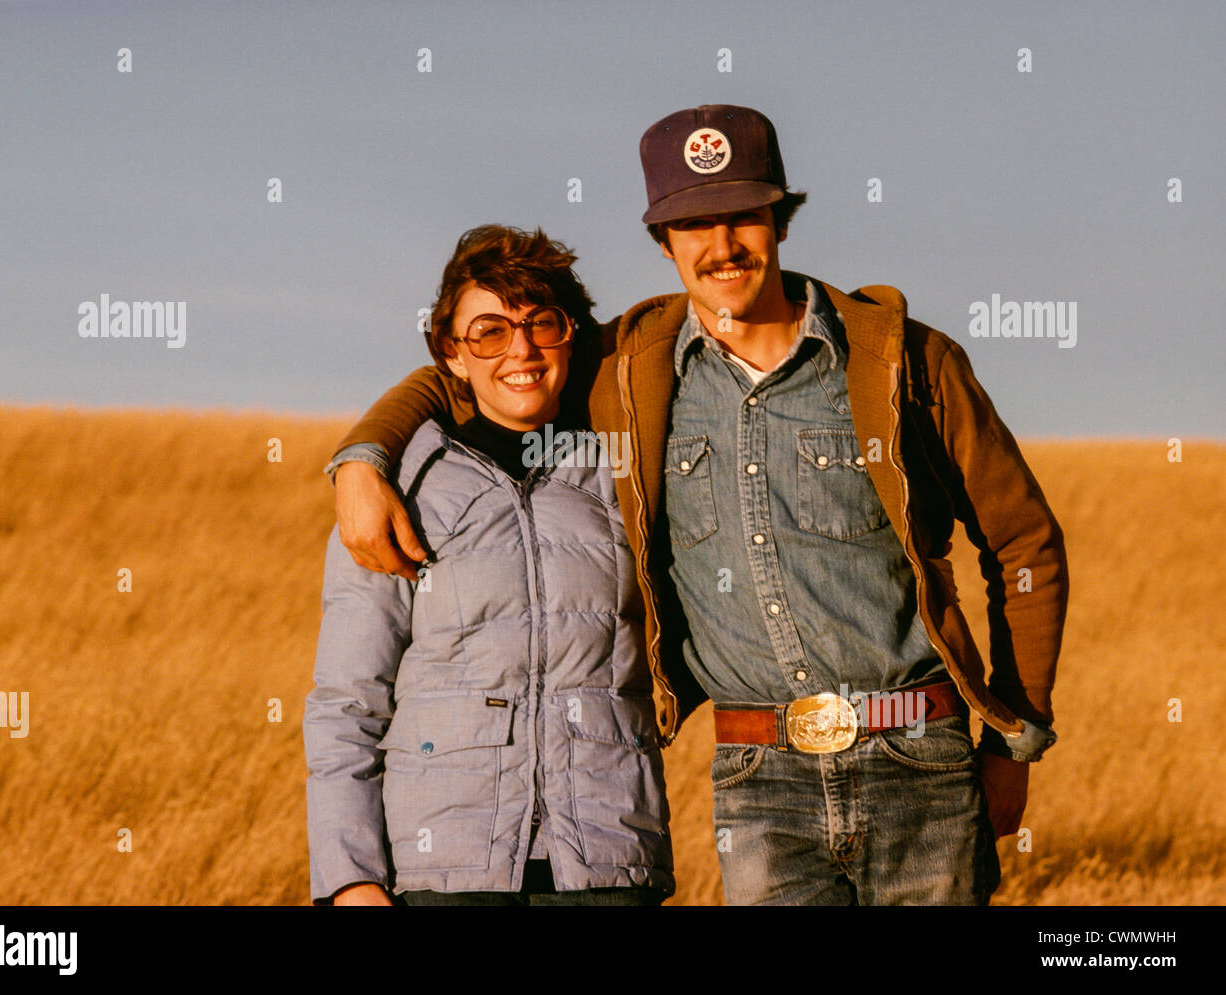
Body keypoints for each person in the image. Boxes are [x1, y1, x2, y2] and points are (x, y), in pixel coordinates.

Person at [323, 106, 1068, 906]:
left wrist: (1013, 740)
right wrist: (363, 457)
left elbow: (1024, 542)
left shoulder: (898, 359)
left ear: (779, 217)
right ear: (663, 240)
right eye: (692, 223)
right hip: (757, 777)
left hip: (921, 754)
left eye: (742, 215)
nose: (721, 246)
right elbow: (485, 363)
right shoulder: (638, 366)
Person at [304, 225, 673, 906]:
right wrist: (350, 880)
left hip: (607, 866)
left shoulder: (628, 476)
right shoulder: (401, 490)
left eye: (542, 324)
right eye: (490, 332)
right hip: (444, 873)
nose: (521, 350)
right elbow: (346, 703)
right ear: (451, 351)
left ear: (573, 337)